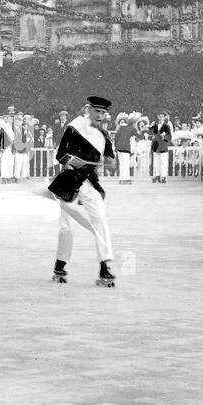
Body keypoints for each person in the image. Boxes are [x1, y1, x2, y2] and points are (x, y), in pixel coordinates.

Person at [48, 96, 118, 287]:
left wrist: (110, 161)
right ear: (88, 110)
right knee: (66, 226)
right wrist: (72, 161)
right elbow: (60, 154)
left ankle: (105, 267)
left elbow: (111, 162)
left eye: (103, 113)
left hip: (89, 184)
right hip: (69, 181)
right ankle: (60, 265)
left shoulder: (104, 136)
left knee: (101, 220)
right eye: (97, 111)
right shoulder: (74, 128)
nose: (100, 115)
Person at [150, 112, 173, 183]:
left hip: (163, 145)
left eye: (162, 116)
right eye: (160, 116)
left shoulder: (166, 126)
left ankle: (163, 176)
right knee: (156, 161)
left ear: (164, 117)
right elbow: (151, 133)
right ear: (158, 117)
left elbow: (169, 136)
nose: (161, 118)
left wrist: (164, 137)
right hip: (156, 146)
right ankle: (157, 175)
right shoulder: (155, 125)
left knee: (163, 161)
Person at [112, 111, 133, 184]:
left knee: (122, 164)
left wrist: (115, 147)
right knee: (126, 163)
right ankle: (126, 178)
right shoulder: (129, 128)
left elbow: (116, 138)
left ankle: (121, 178)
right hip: (125, 148)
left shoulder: (120, 128)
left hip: (119, 148)